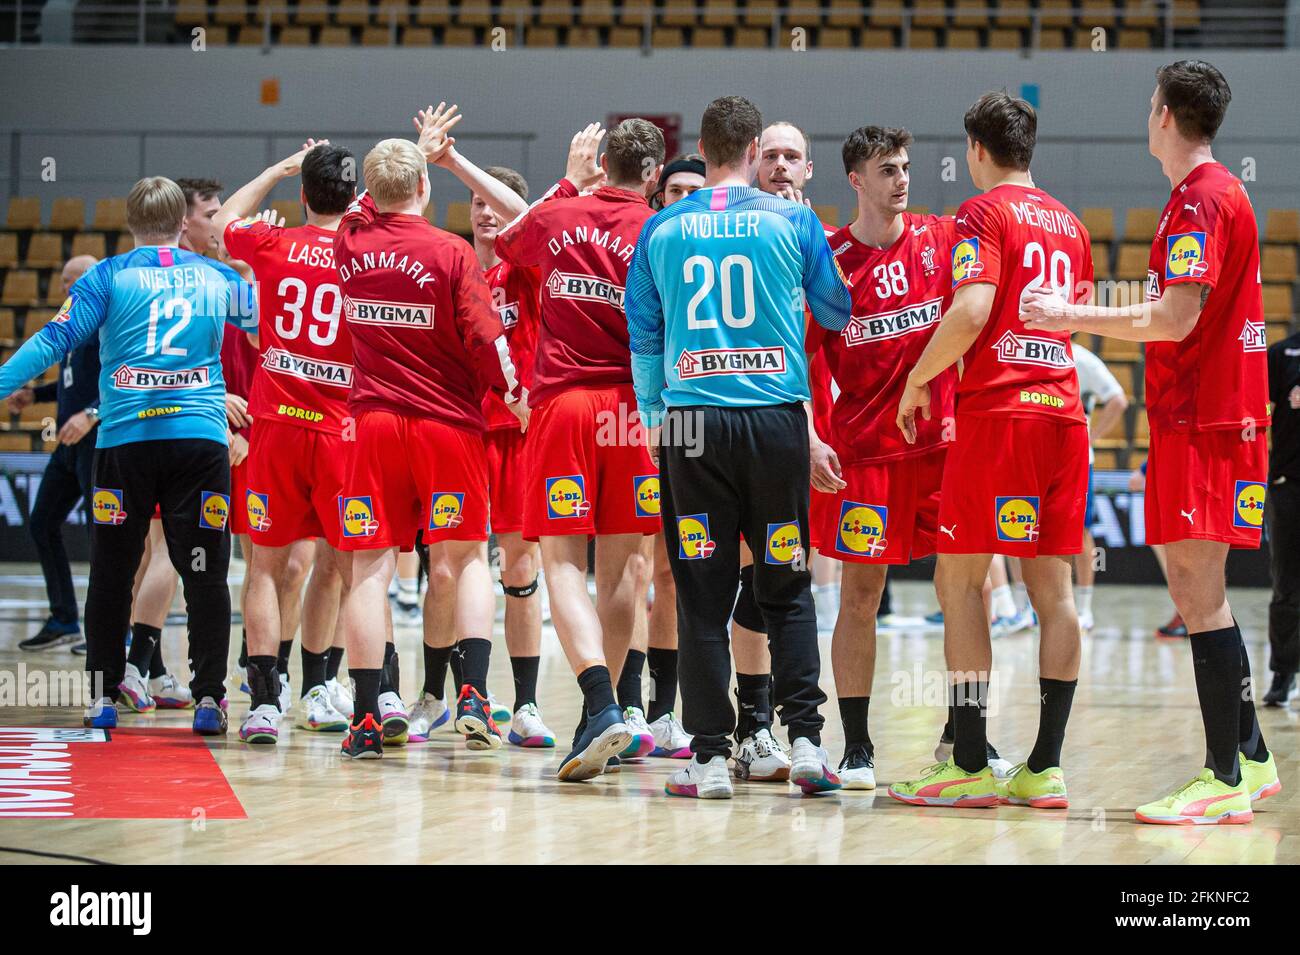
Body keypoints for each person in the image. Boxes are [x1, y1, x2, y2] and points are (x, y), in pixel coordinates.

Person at [1021, 61, 1280, 823]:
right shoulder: (1206, 194)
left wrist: (1068, 315)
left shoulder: (1202, 199)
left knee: (1201, 597)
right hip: (1202, 418)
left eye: (1149, 104)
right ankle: (1255, 756)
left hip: (1209, 420)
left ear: (1165, 114)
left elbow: (1173, 318)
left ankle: (1222, 773)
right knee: (1198, 592)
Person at [627, 94, 850, 799]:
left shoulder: (661, 226)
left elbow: (642, 335)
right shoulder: (793, 218)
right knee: (785, 588)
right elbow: (837, 310)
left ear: (704, 145)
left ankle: (710, 758)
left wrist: (657, 416)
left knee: (701, 597)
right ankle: (809, 744)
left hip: (692, 425)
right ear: (755, 151)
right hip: (777, 421)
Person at [890, 91, 1093, 811]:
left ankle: (970, 761)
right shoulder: (1071, 224)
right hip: (1062, 416)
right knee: (1055, 593)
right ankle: (1045, 765)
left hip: (1000, 413)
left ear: (977, 149)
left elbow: (973, 309)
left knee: (959, 580)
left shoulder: (981, 213)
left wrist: (918, 378)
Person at [0, 175, 257, 734]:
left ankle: (101, 695)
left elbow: (51, 341)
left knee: (114, 572)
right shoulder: (220, 277)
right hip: (198, 444)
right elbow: (273, 333)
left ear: (130, 221)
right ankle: (210, 698)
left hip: (126, 445)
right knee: (206, 573)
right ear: (183, 223)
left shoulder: (108, 276)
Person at [333, 110, 525, 759]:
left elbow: (361, 202)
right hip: (447, 426)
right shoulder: (451, 252)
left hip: (374, 425)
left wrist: (407, 155)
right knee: (464, 559)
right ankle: (472, 692)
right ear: (424, 190)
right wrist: (514, 396)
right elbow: (489, 341)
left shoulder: (350, 243)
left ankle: (365, 713)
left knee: (369, 569)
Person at [494, 117, 666, 781]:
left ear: (602, 162)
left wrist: (569, 179)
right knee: (628, 567)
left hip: (564, 407)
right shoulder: (661, 229)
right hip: (636, 413)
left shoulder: (562, 212)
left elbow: (507, 243)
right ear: (652, 173)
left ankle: (599, 704)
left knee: (563, 562)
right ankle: (618, 705)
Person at [807, 126, 960, 790]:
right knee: (860, 597)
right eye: (886, 169)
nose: (901, 178)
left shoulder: (940, 239)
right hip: (865, 456)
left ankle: (966, 733)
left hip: (942, 450)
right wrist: (811, 437)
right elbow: (797, 357)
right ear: (855, 180)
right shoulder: (831, 261)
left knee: (963, 590)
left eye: (904, 167)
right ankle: (859, 746)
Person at [214, 140, 359, 742]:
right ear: (353, 198)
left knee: (265, 570)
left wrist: (276, 167)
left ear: (302, 194)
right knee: (346, 567)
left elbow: (224, 219)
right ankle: (325, 688)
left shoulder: (273, 245)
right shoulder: (366, 254)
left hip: (276, 427)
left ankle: (264, 703)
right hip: (341, 431)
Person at [11, 255, 100, 652]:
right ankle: (64, 618)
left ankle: (113, 627)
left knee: (107, 538)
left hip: (98, 443)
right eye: (62, 281)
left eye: (70, 281)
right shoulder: (72, 327)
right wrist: (34, 394)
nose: (63, 289)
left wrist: (92, 414)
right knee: (42, 522)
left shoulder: (103, 324)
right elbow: (70, 384)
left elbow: (118, 381)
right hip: (67, 445)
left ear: (89, 280)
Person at [1071, 341, 1129, 632]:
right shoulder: (1030, 351)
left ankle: (1084, 608)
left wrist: (1090, 437)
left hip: (1077, 460)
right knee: (1027, 528)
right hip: (1035, 455)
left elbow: (1118, 399)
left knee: (1081, 533)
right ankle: (1023, 607)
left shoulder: (1082, 358)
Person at [1264, 324, 1300, 706]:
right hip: (1288, 484)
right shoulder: (1282, 353)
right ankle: (1284, 672)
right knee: (1286, 585)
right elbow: (1257, 410)